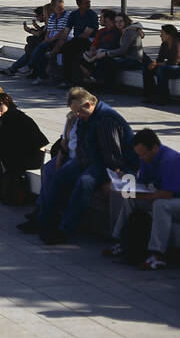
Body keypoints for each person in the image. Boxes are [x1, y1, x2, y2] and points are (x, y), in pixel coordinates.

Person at [21, 87, 133, 245]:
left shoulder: (106, 119)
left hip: (107, 164)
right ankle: (44, 221)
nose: (76, 116)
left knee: (84, 182)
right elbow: (80, 143)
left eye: (78, 112)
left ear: (88, 105)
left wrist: (111, 178)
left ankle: (64, 229)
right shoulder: (83, 117)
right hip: (88, 159)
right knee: (58, 175)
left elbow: (113, 155)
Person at [104, 129, 180, 270]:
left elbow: (167, 194)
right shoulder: (146, 158)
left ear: (155, 148)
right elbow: (142, 182)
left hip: (173, 198)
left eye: (143, 153)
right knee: (130, 200)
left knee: (161, 205)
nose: (142, 157)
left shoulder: (170, 160)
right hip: (165, 195)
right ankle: (121, 241)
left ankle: (157, 254)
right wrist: (123, 181)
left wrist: (142, 196)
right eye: (139, 154)